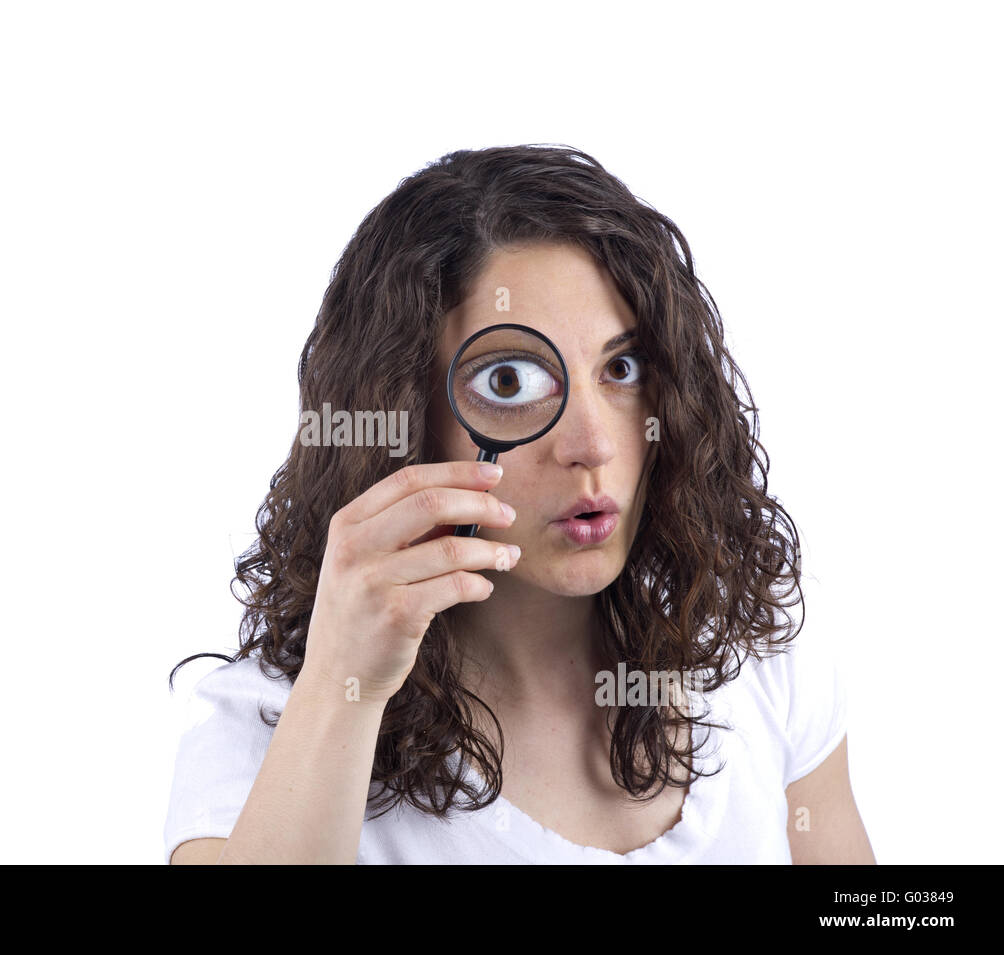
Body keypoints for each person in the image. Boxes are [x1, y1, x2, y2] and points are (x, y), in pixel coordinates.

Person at [163, 144, 875, 864]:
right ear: (403, 416)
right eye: (509, 380)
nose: (592, 444)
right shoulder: (263, 731)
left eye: (620, 368)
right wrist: (342, 693)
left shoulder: (759, 648)